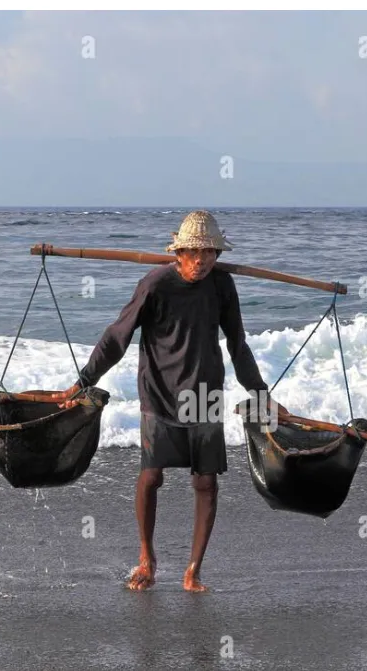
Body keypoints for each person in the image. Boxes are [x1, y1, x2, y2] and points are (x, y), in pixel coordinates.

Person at [60, 210, 285, 592]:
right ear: (178, 252)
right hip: (159, 392)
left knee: (205, 482)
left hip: (205, 393)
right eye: (194, 252)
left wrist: (260, 393)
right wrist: (83, 381)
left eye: (209, 252)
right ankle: (146, 558)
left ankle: (193, 570)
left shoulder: (222, 285)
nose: (202, 260)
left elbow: (237, 344)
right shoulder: (155, 284)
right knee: (151, 476)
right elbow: (117, 337)